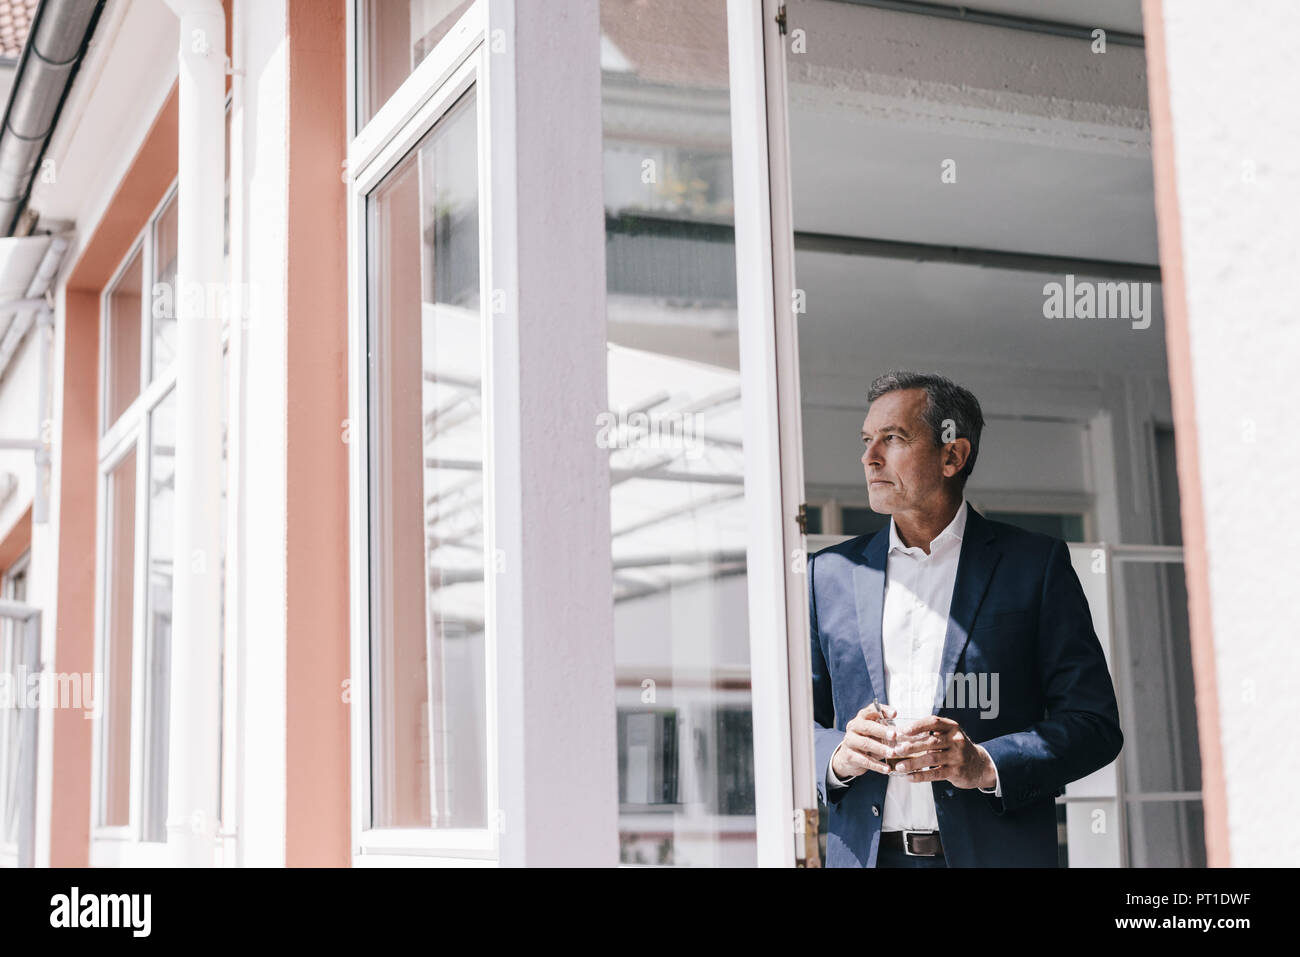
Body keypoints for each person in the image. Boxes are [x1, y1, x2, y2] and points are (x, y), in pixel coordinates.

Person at [808, 370, 1123, 867]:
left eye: (893, 439)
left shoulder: (1035, 567)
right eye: (868, 440)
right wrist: (837, 756)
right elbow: (789, 725)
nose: (869, 458)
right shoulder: (827, 575)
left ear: (953, 454)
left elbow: (1094, 725)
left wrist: (984, 764)